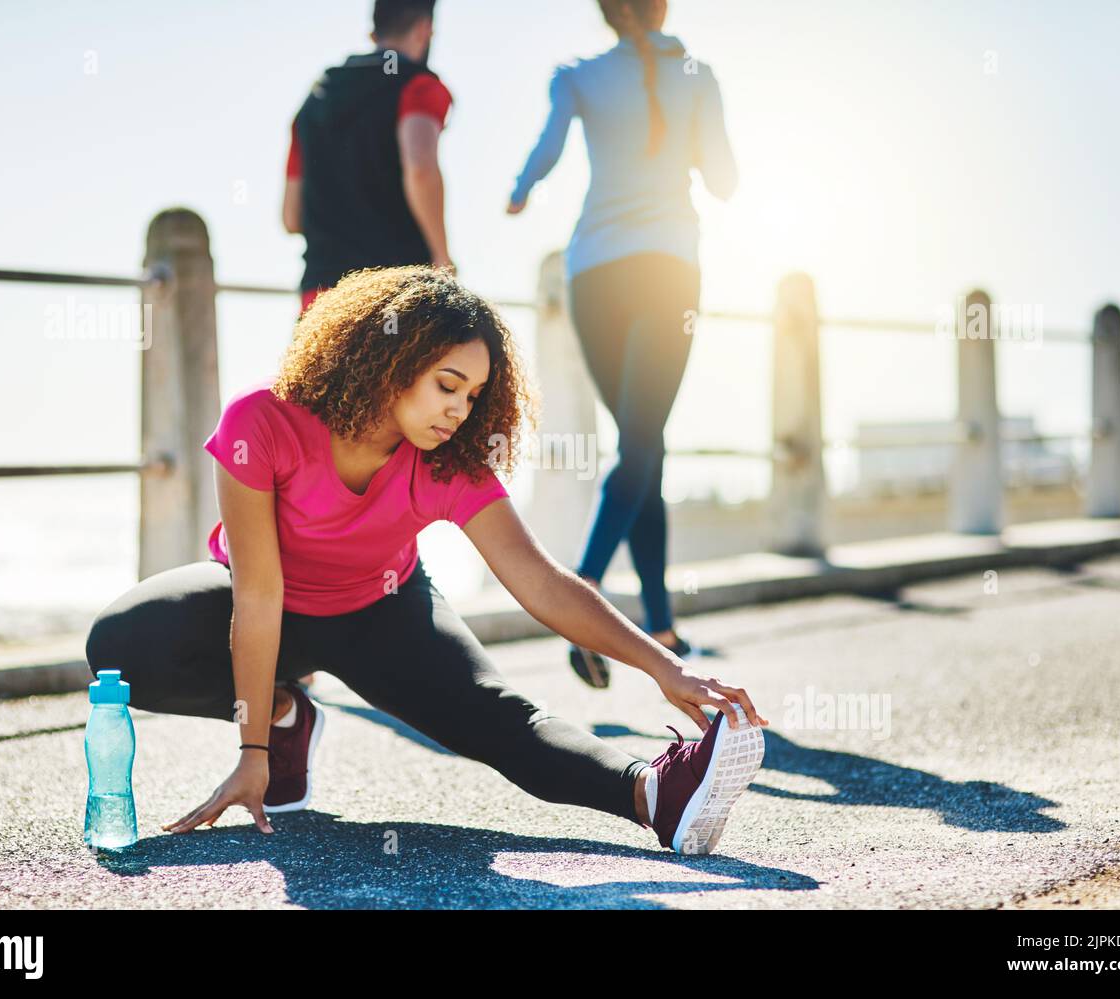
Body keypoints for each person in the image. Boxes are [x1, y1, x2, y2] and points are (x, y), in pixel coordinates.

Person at [84, 266, 766, 856]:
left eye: (473, 395)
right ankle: (288, 715)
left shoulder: (449, 462)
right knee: (117, 647)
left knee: (501, 721)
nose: (460, 411)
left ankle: (658, 794)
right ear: (393, 360)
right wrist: (253, 748)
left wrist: (663, 665)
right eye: (447, 384)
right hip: (270, 606)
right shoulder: (260, 422)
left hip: (384, 612)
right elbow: (258, 596)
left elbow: (541, 581)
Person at [507, 0, 737, 689]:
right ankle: (582, 591)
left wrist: (518, 190)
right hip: (667, 270)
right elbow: (726, 181)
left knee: (643, 444)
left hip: (593, 274)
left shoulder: (576, 75)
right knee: (641, 445)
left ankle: (661, 624)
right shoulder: (698, 73)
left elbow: (543, 155)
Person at [282, 0, 455, 316]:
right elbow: (420, 168)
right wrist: (442, 257)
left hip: (321, 299)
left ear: (373, 33)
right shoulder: (419, 86)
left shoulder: (315, 101)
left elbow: (291, 218)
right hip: (398, 294)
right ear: (424, 30)